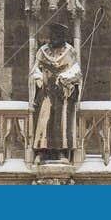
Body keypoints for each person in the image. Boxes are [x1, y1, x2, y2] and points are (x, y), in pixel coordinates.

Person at [30, 22, 82, 160]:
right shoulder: (43, 51)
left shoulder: (69, 51)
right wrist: (39, 78)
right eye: (52, 35)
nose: (54, 38)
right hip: (46, 93)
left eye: (58, 35)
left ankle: (61, 151)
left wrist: (65, 77)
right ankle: (42, 150)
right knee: (44, 120)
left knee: (62, 121)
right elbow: (35, 69)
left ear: (63, 36)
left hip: (62, 93)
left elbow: (76, 70)